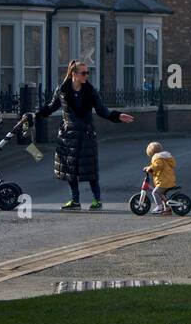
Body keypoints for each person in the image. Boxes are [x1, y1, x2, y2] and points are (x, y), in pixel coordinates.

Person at [27, 61, 134, 210]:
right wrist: (35, 115)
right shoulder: (62, 90)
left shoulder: (90, 91)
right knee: (70, 169)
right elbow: (51, 107)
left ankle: (97, 200)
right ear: (74, 74)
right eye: (83, 73)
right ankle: (75, 200)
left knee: (90, 169)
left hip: (86, 134)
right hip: (68, 135)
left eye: (87, 72)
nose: (86, 75)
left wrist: (117, 116)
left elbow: (102, 110)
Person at [144, 141, 177, 214]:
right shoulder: (164, 157)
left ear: (151, 153)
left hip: (164, 181)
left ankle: (159, 207)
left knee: (155, 192)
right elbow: (159, 167)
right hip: (168, 180)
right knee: (161, 194)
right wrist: (150, 167)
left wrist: (150, 168)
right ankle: (167, 209)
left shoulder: (157, 158)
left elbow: (158, 166)